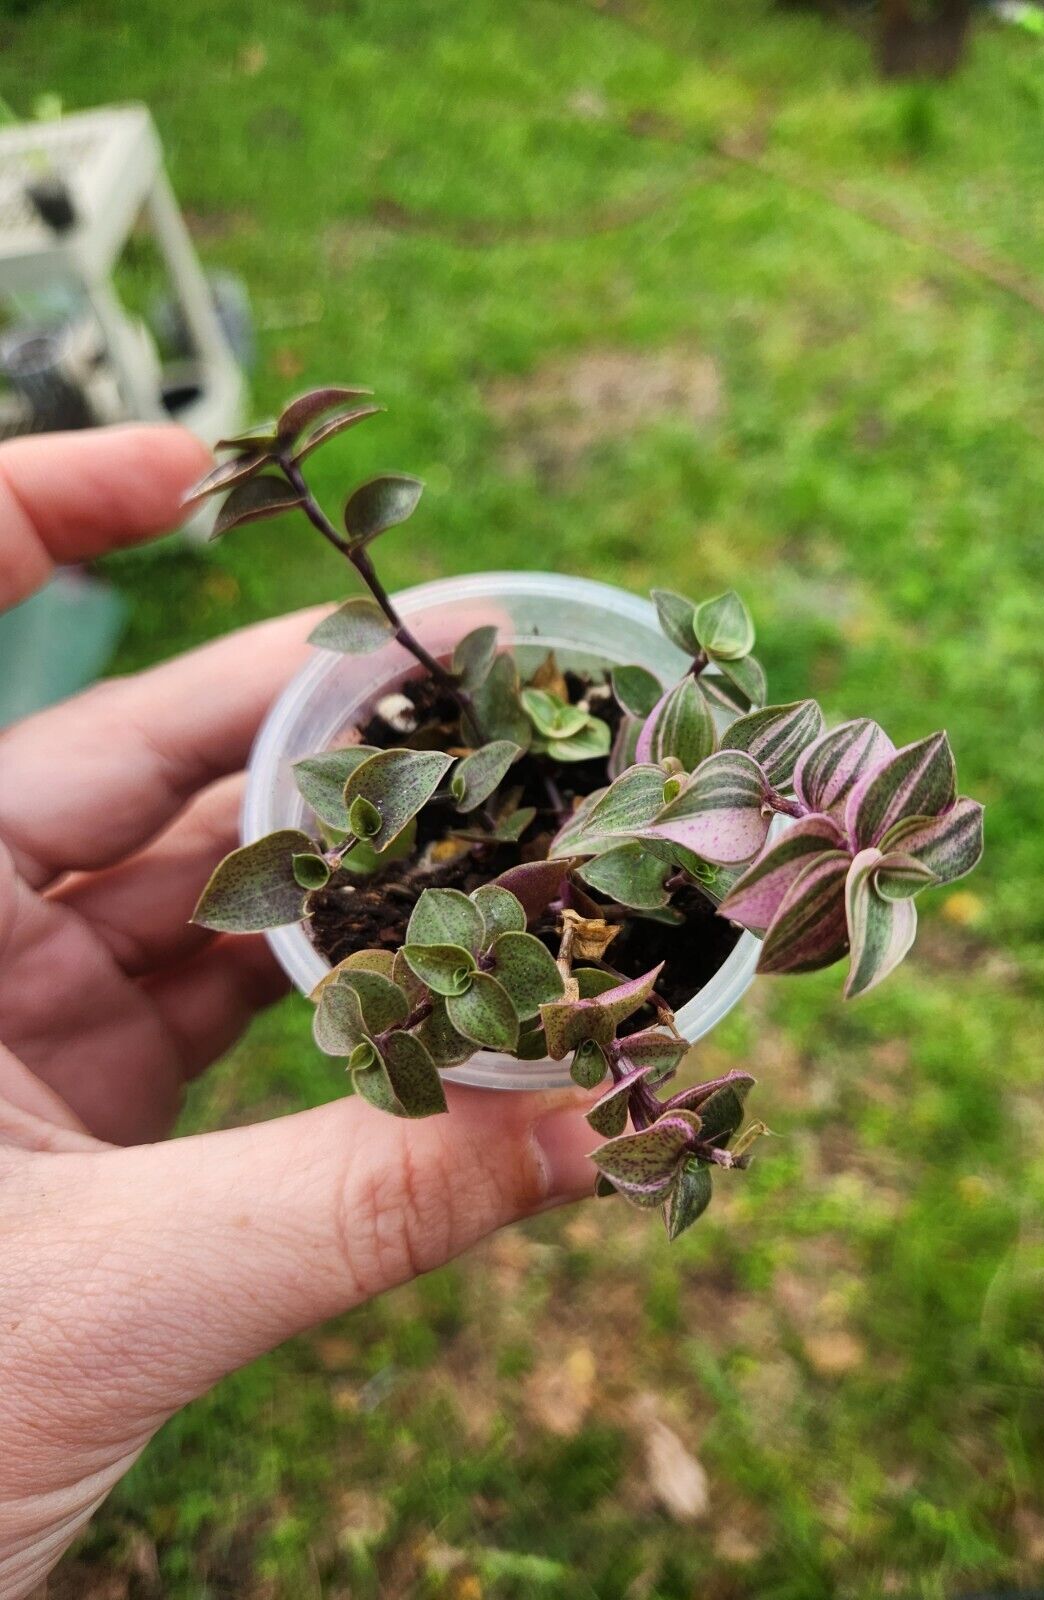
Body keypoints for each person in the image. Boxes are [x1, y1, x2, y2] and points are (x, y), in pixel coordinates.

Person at [0, 425, 598, 1600]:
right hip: (433, 906)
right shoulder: (380, 911)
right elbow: (418, 909)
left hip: (447, 881)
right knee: (433, 842)